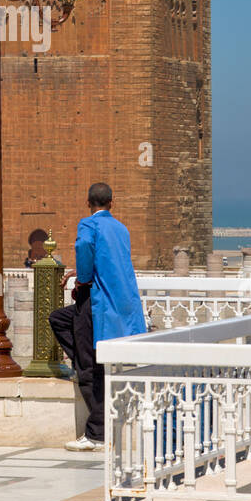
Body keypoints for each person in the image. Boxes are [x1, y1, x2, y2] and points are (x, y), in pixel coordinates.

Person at [49, 182, 146, 452]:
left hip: (97, 304)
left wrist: (80, 279)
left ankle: (96, 434)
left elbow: (85, 248)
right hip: (120, 305)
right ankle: (79, 358)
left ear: (87, 202)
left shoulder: (88, 225)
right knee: (60, 320)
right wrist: (77, 273)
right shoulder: (121, 228)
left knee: (89, 367)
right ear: (111, 203)